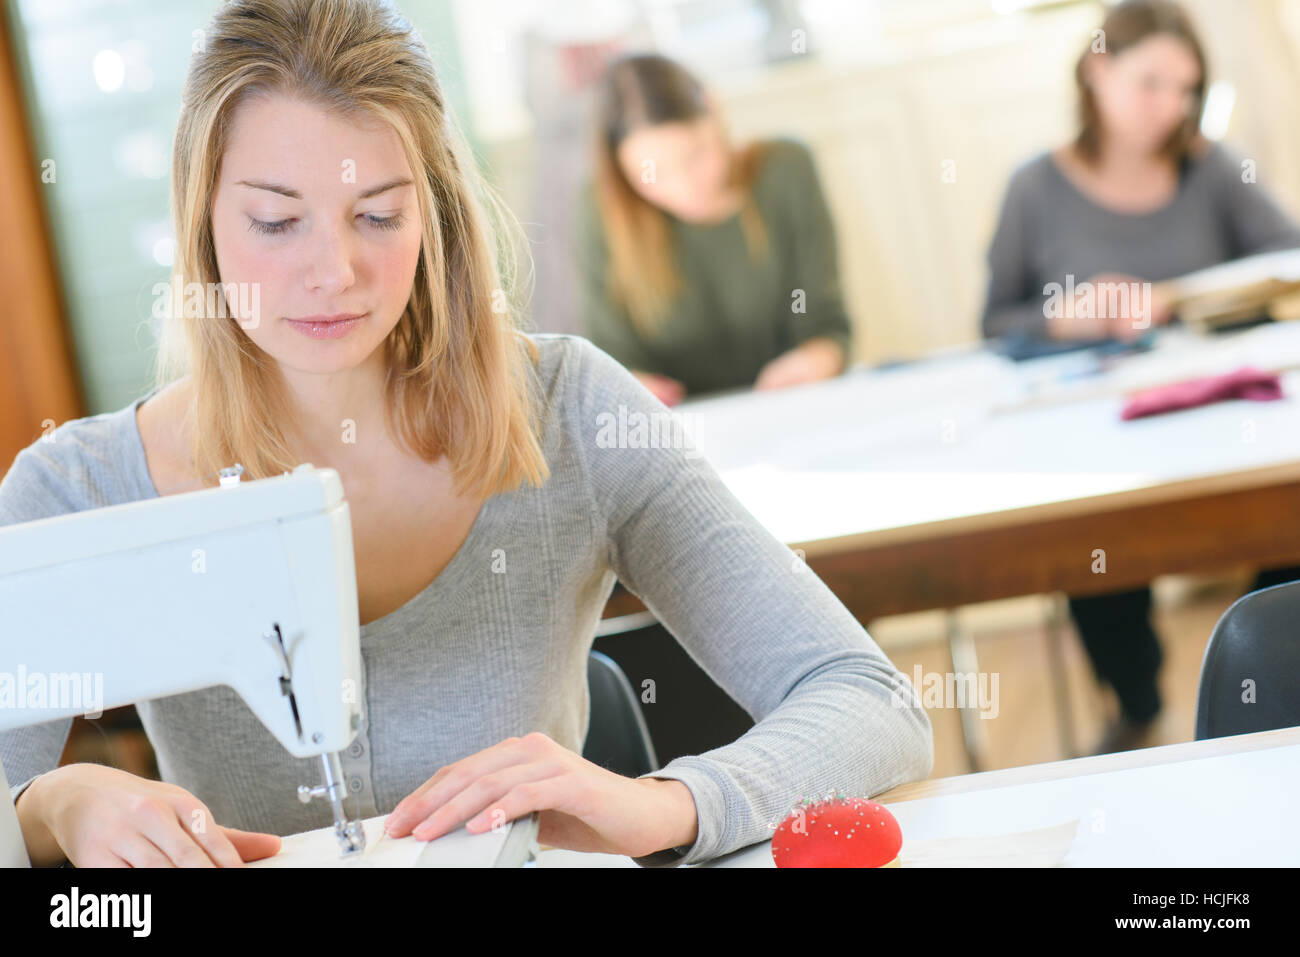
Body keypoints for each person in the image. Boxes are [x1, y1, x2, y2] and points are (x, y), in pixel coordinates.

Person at [0, 0, 931, 868]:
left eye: (378, 215)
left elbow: (870, 700)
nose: (336, 270)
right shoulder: (77, 491)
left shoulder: (570, 411)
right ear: (201, 221)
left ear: (433, 212)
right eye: (276, 221)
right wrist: (47, 806)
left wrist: (669, 802)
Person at [980, 0, 1300, 754]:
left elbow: (1286, 263)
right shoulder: (1035, 185)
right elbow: (994, 323)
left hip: (1224, 414)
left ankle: (1248, 666)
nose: (1174, 106)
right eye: (1152, 83)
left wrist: (1202, 299)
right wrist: (1068, 317)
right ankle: (1138, 697)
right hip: (1099, 423)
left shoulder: (1211, 166)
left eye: (1187, 88)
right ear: (1097, 72)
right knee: (1080, 528)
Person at [577, 53, 852, 405]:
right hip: (674, 439)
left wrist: (816, 360)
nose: (685, 187)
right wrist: (631, 388)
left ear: (714, 109)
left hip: (796, 410)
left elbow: (826, 324)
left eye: (695, 156)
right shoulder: (602, 211)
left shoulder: (787, 171)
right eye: (653, 175)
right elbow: (612, 359)